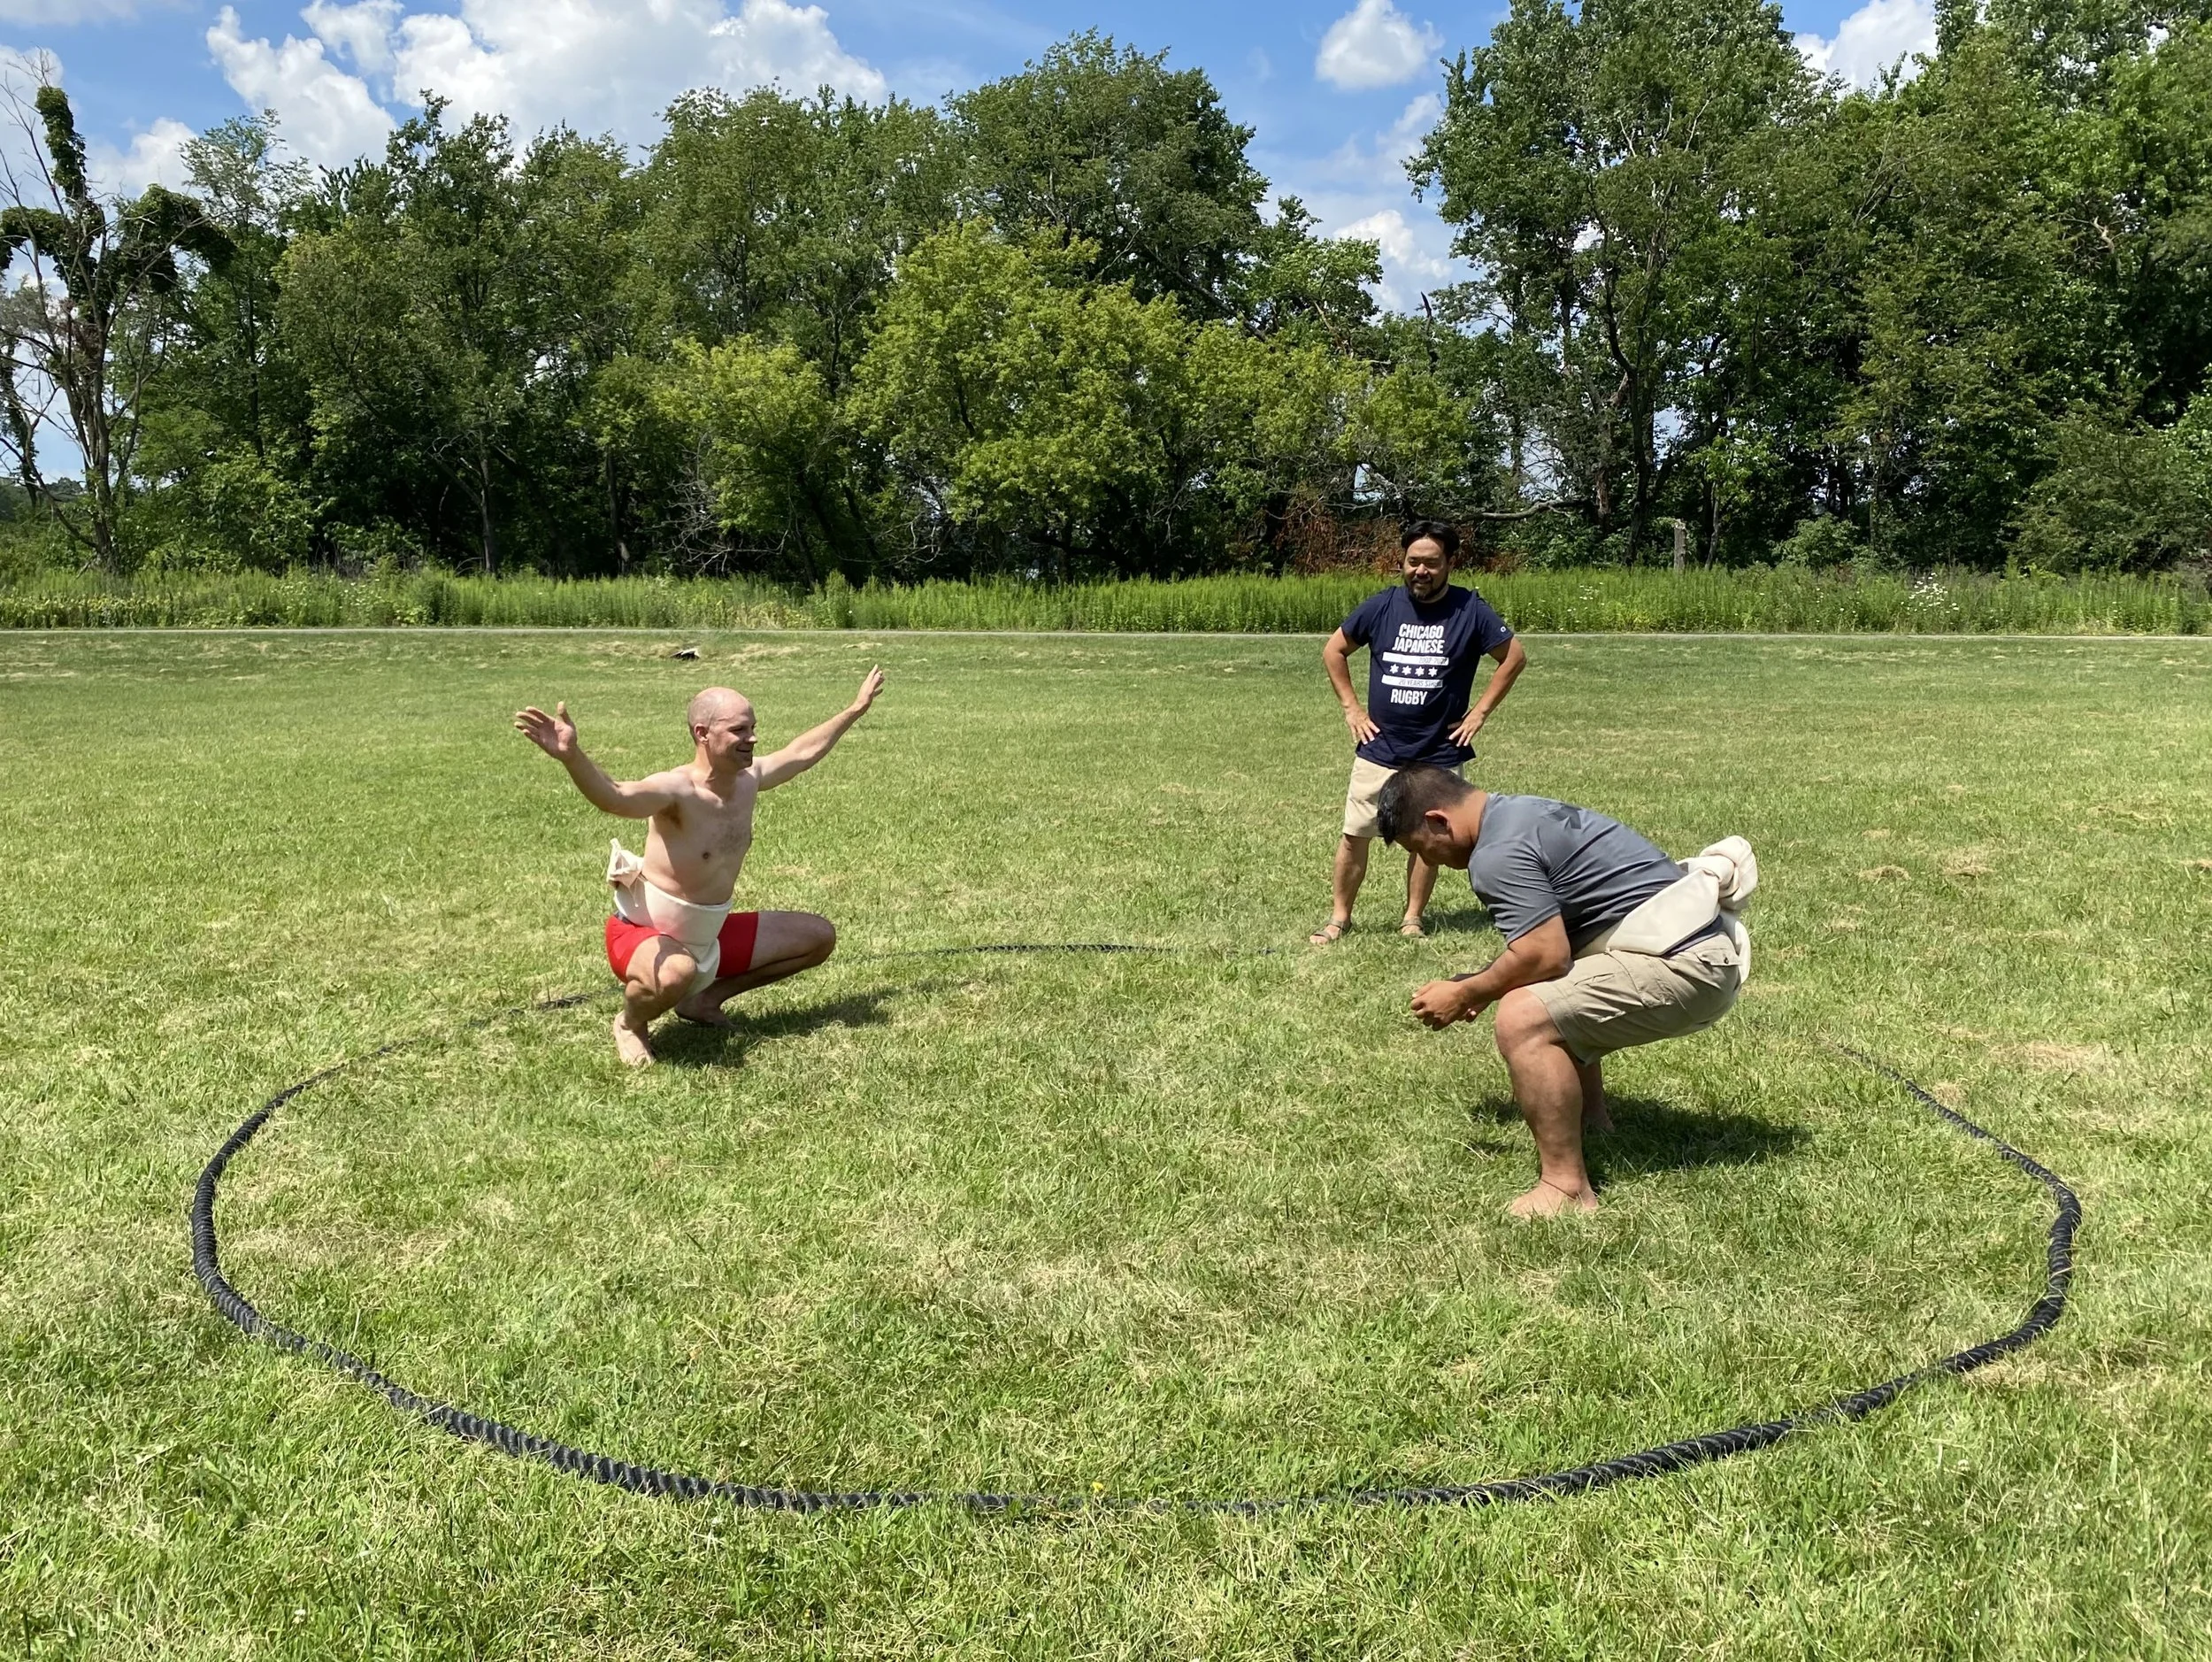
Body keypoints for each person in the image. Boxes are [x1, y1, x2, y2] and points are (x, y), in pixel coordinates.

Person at [1375, 766, 1756, 1218]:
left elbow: (1545, 954)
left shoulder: (1495, 853)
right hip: (1703, 950)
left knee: (1524, 1018)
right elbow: (1551, 957)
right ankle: (1591, 1124)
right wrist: (1477, 983)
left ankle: (1565, 1187)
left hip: (1687, 967)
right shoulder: (1520, 813)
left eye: (1423, 848)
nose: (1431, 861)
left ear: (1439, 820)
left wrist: (1469, 994)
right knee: (1550, 997)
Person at [514, 669, 885, 1066]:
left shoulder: (750, 779)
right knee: (675, 972)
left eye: (753, 728)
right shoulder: (677, 790)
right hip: (644, 935)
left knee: (817, 936)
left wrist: (855, 709)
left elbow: (799, 752)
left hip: (709, 936)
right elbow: (617, 798)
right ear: (702, 733)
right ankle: (629, 1023)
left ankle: (704, 1000)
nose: (753, 739)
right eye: (740, 730)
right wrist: (573, 757)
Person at [1312, 520, 1527, 944]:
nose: (1421, 571)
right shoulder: (1382, 606)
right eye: (1413, 562)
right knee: (1356, 834)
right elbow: (1334, 650)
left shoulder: (1470, 610)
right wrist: (1351, 708)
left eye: (1431, 563)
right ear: (1402, 562)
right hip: (1380, 748)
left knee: (1427, 842)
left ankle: (1413, 917)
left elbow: (1514, 658)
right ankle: (1339, 918)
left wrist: (1478, 714)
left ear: (1450, 563)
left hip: (1439, 752)